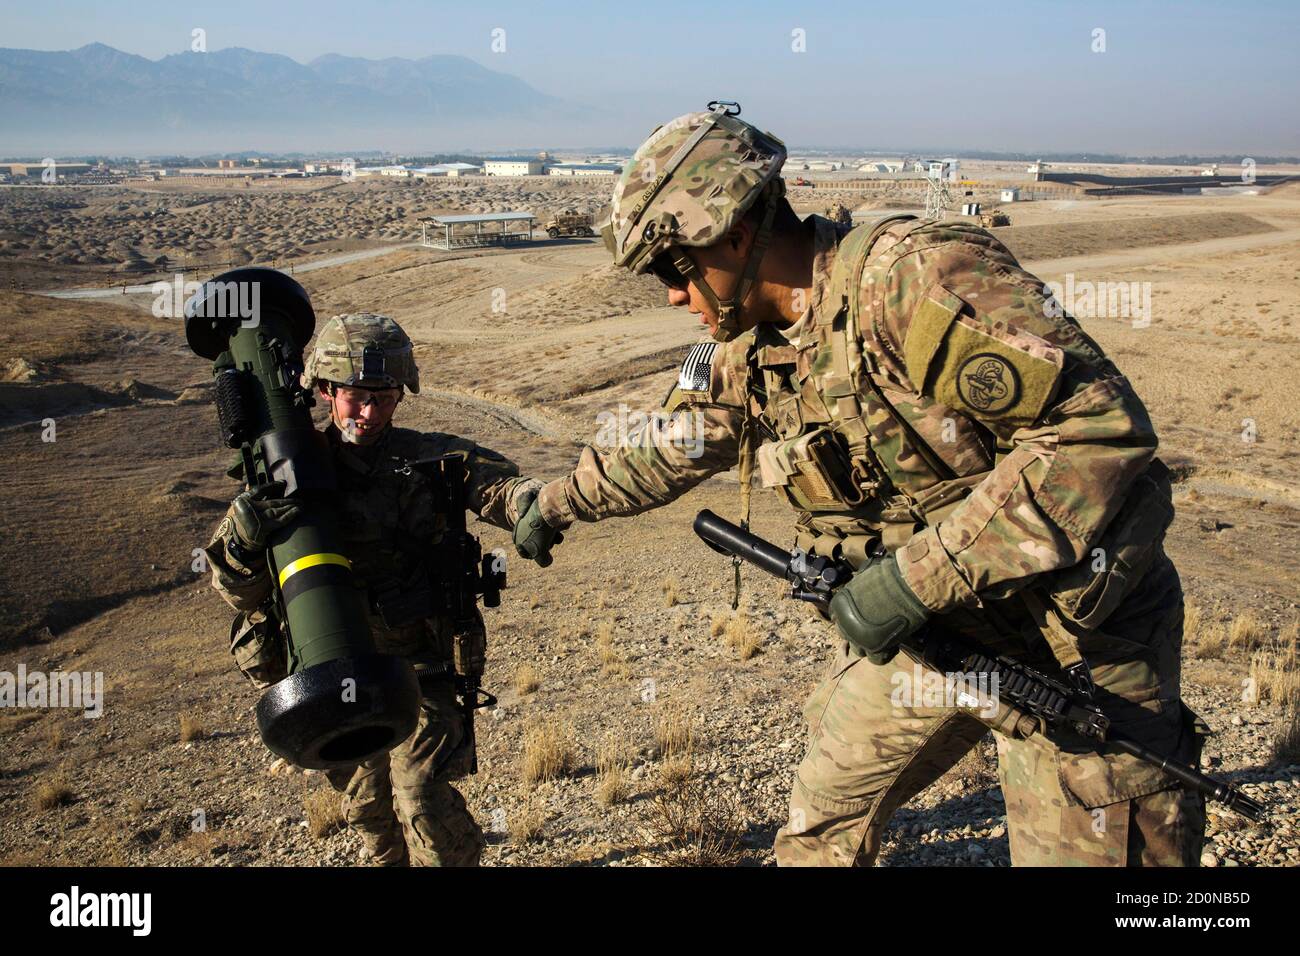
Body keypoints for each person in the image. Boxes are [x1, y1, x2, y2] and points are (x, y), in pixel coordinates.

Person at [512, 102, 1206, 866]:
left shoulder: (912, 278)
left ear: (735, 234)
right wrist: (554, 503)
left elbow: (1096, 431)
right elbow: (669, 444)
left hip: (1072, 633)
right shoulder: (744, 347)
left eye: (674, 271)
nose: (673, 297)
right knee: (820, 831)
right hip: (933, 634)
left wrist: (913, 579)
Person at [207, 312, 547, 866]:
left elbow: (500, 485)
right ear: (324, 390)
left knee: (421, 796)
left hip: (423, 668)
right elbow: (241, 592)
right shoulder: (286, 469)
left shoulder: (427, 457)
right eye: (355, 397)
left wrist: (533, 506)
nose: (370, 413)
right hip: (333, 674)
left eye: (385, 397)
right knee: (368, 811)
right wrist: (243, 540)